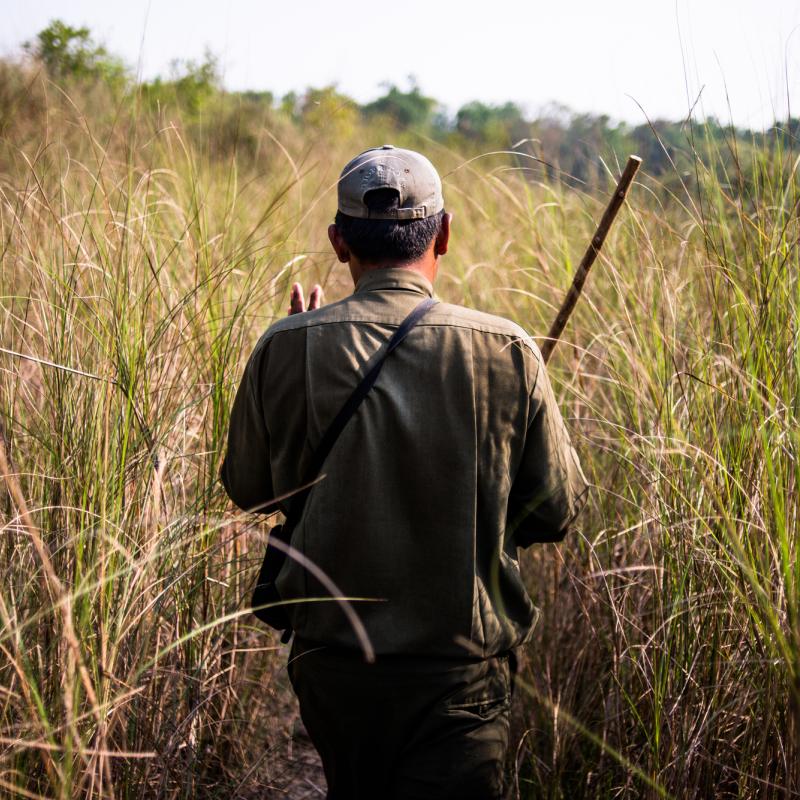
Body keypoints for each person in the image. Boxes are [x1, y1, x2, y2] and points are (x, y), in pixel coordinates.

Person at [220, 145, 588, 799]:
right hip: (461, 677)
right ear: (443, 232)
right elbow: (555, 510)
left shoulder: (285, 346)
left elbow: (251, 491)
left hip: (333, 669)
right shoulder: (508, 349)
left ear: (339, 243)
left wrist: (305, 361)